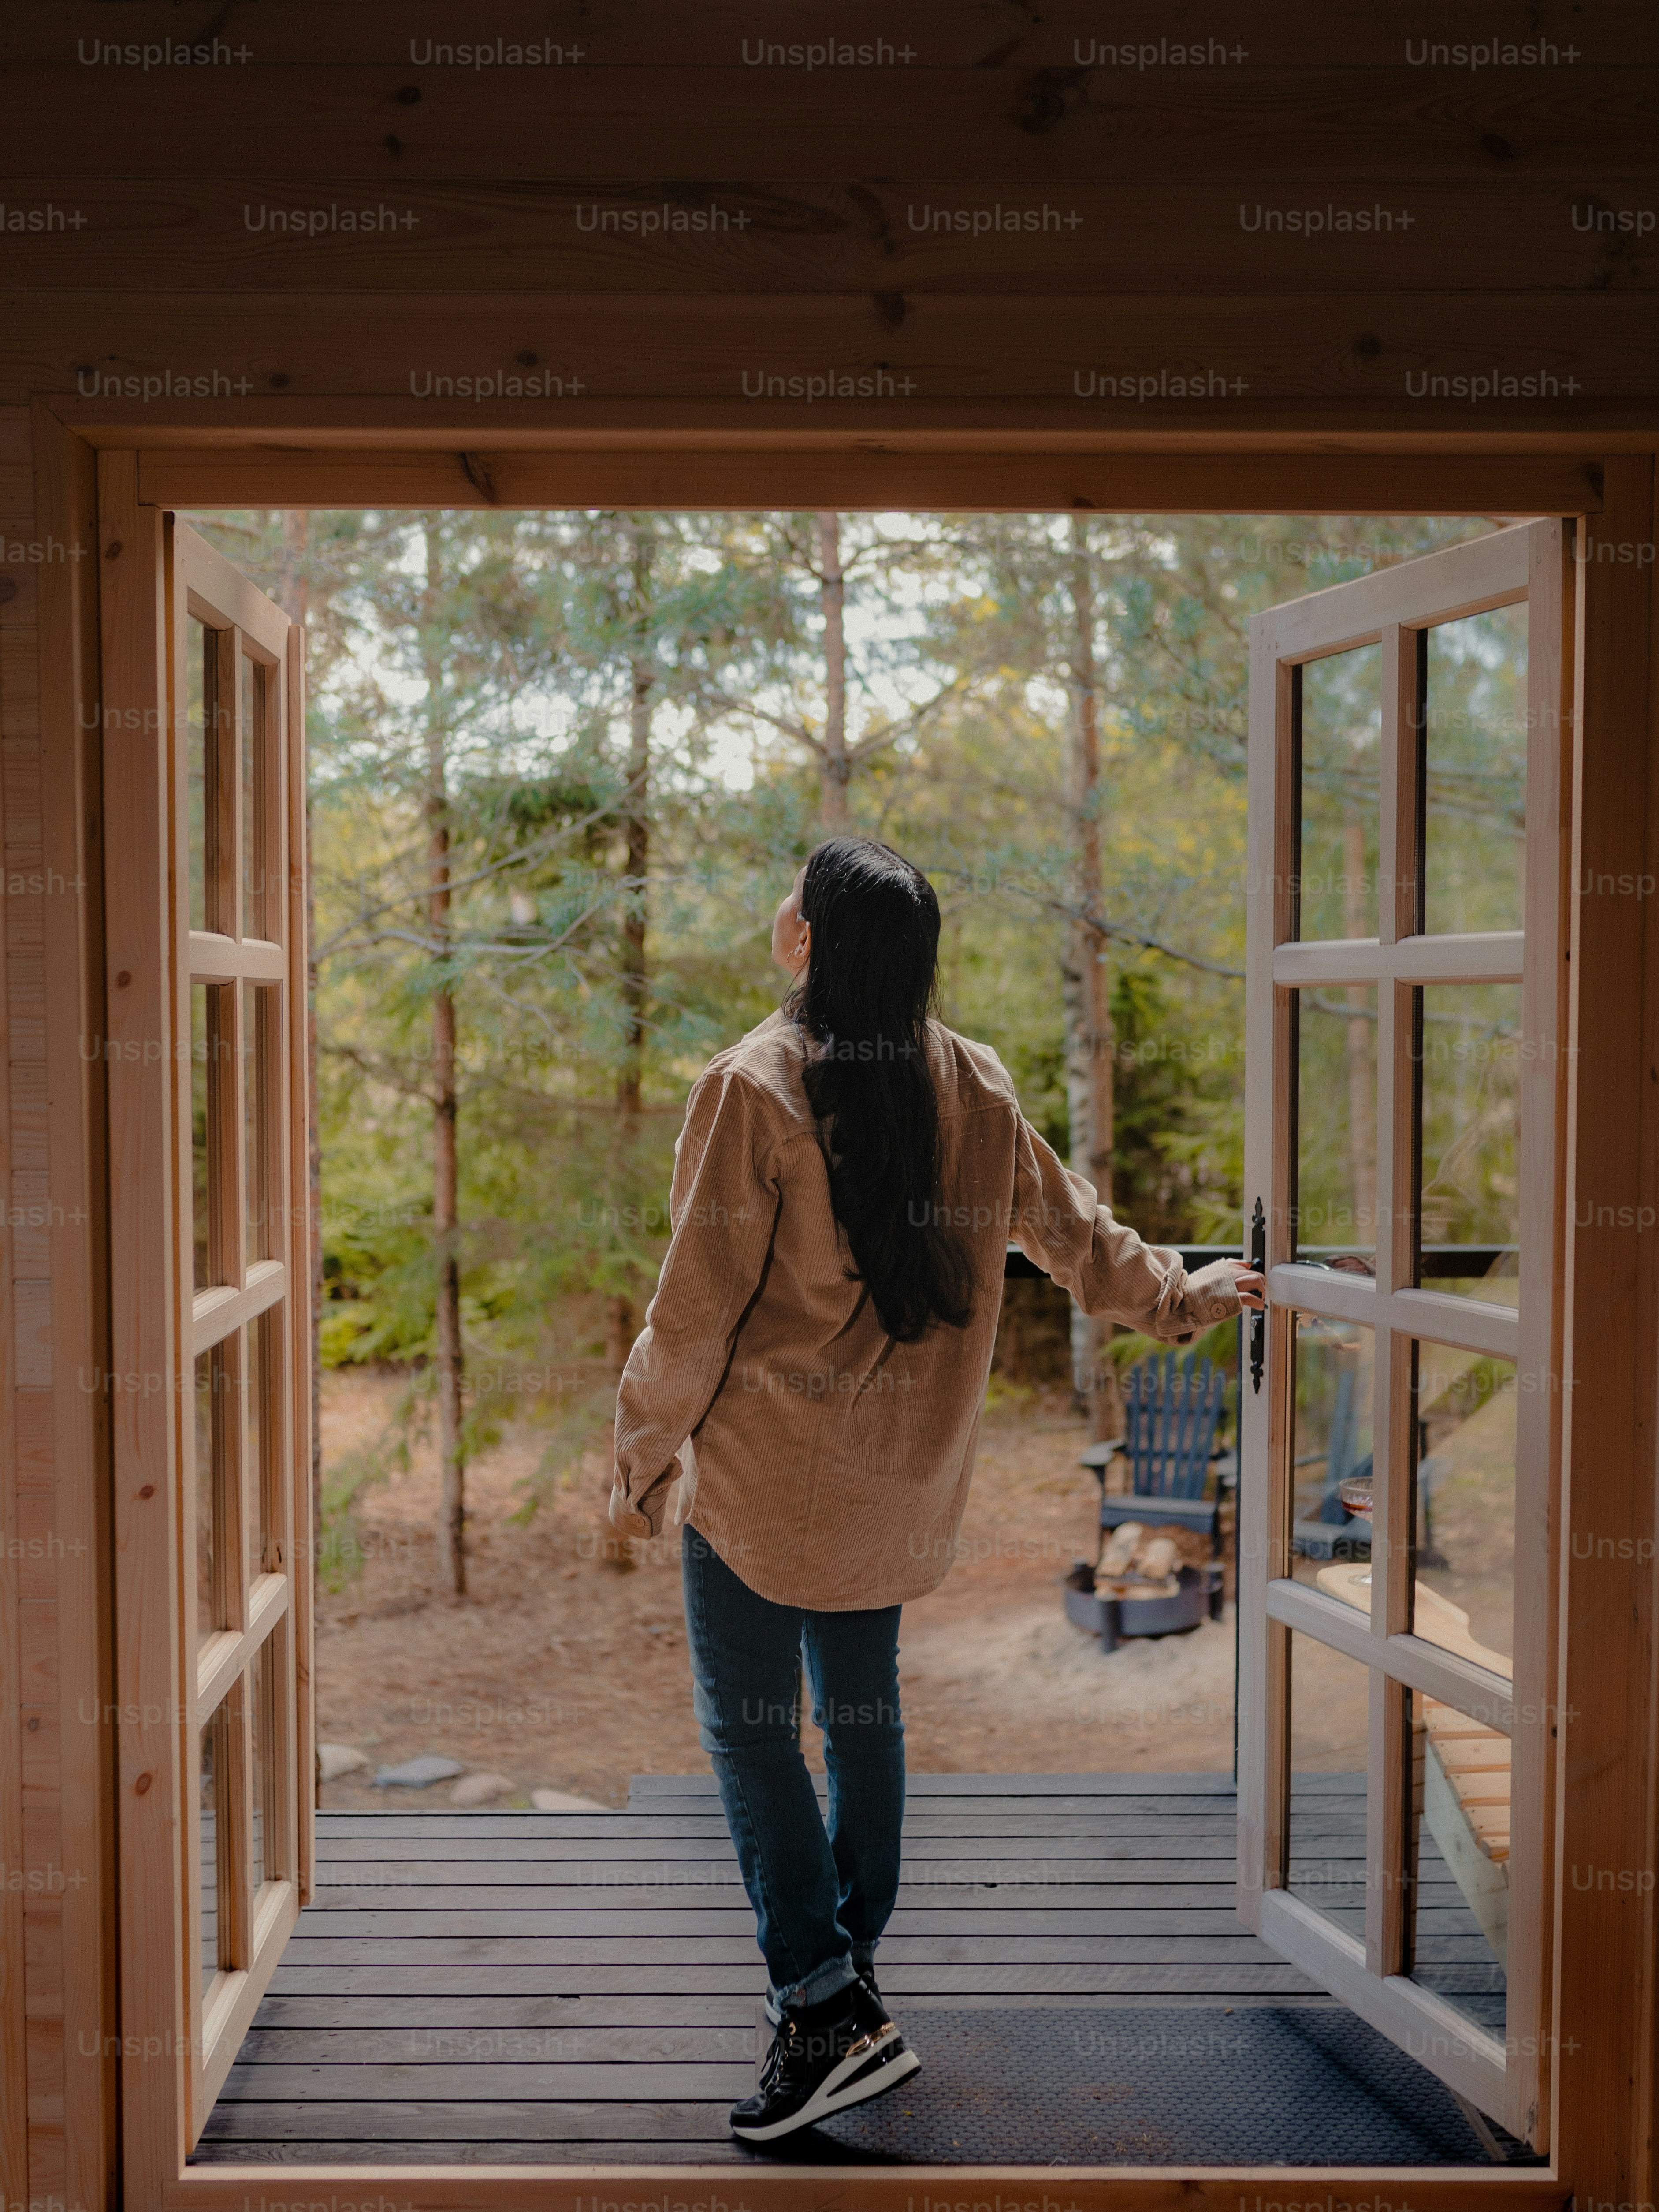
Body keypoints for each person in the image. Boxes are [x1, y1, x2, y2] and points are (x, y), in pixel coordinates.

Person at [610, 836, 1264, 2145]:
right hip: (895, 1491)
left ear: (808, 938)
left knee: (750, 1729)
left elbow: (692, 1310)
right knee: (860, 1718)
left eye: (792, 899)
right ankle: (846, 1984)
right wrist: (1185, 1298)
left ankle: (820, 2001)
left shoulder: (754, 1085)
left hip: (758, 1485)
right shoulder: (973, 1079)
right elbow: (1073, 1234)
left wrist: (640, 1453)